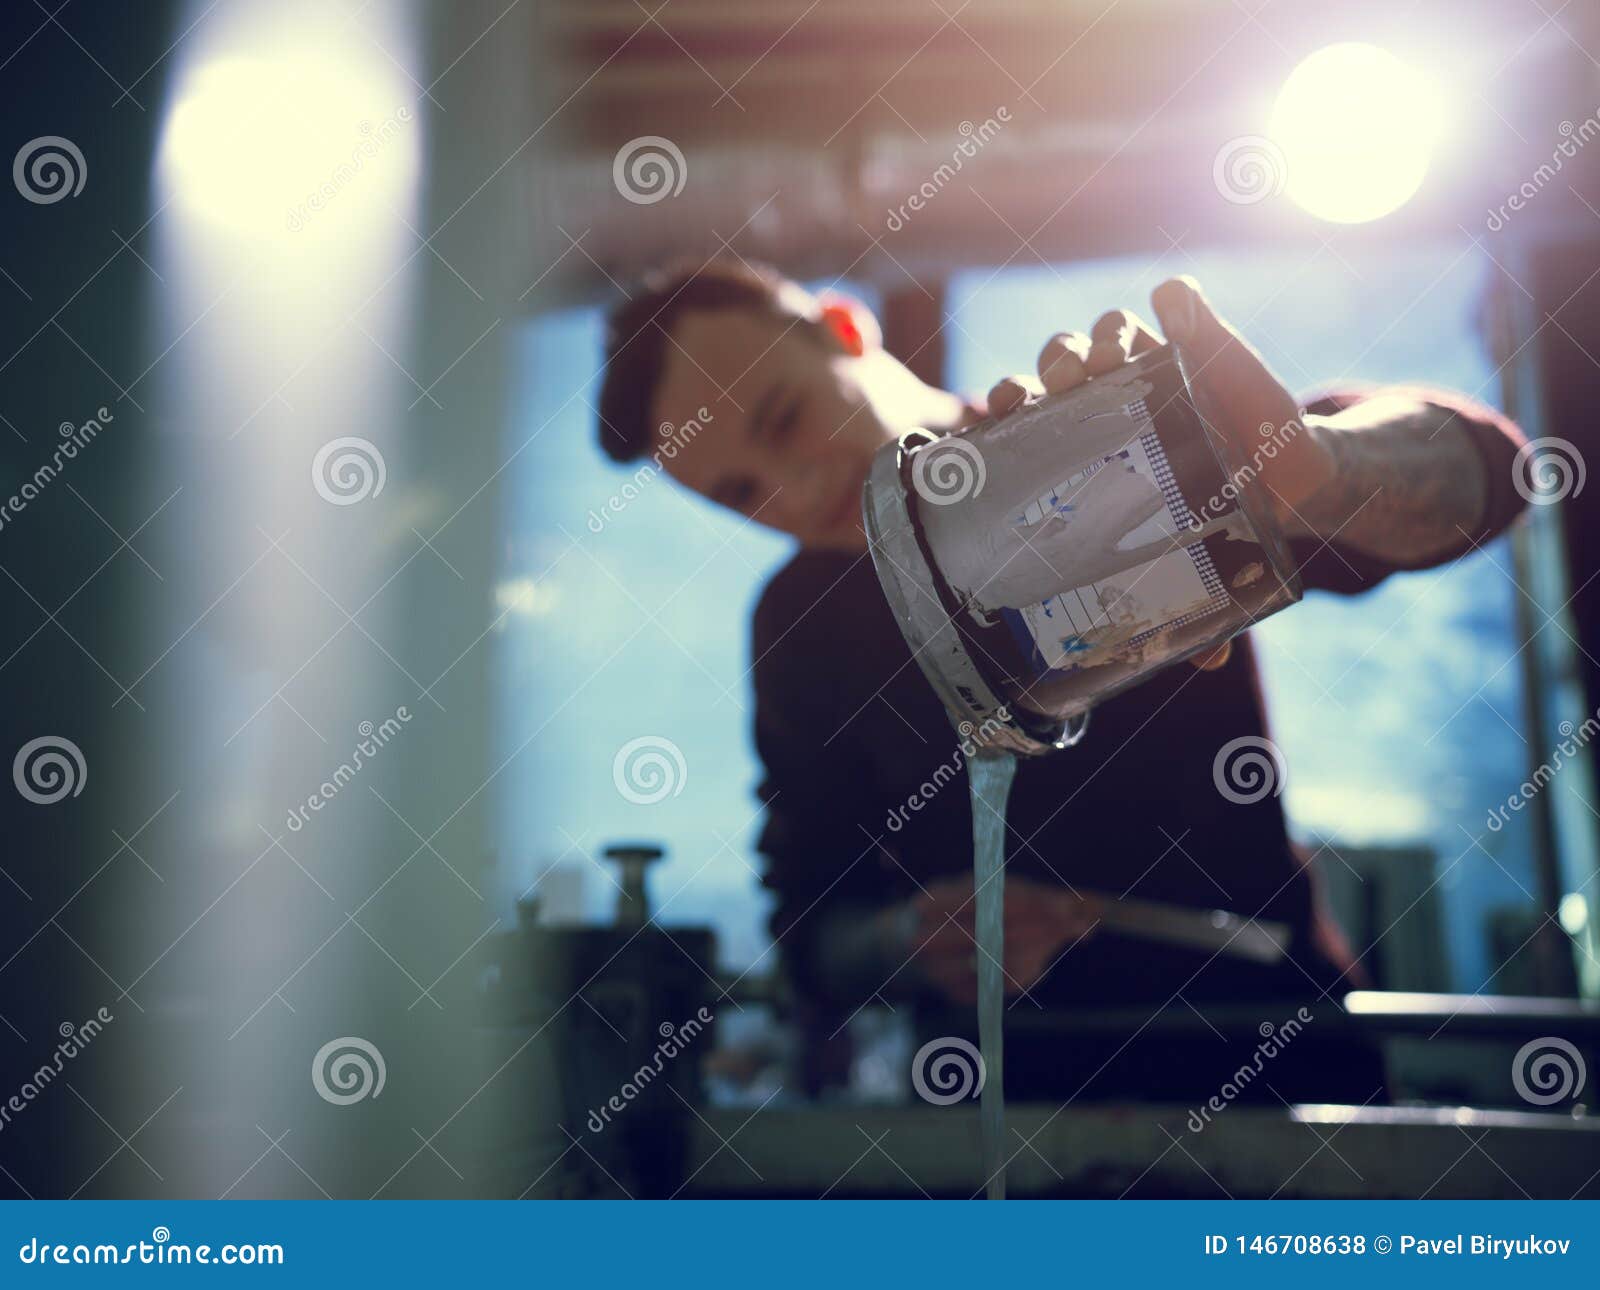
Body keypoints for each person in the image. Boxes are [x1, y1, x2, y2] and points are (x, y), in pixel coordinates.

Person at [595, 260, 1527, 1102]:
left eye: (786, 418)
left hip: (1271, 1052)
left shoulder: (1095, 439)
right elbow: (810, 929)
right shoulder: (799, 628)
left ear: (844, 329)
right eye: (743, 495)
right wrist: (904, 944)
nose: (796, 490)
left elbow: (1491, 475)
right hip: (1004, 1103)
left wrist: (1323, 473)